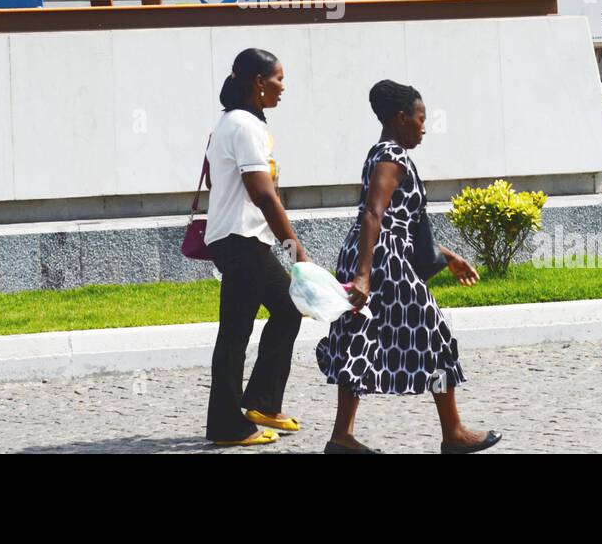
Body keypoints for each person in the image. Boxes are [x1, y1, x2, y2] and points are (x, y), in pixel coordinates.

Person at [316, 79, 501, 454]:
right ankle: (453, 433)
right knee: (435, 337)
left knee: (359, 337)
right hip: (385, 263)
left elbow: (400, 221)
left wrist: (448, 256)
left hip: (380, 255)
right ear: (401, 118)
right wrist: (364, 276)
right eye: (420, 118)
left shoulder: (386, 153)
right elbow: (374, 214)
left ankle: (342, 436)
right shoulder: (390, 157)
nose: (424, 126)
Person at [204, 48, 309, 447]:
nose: (284, 87)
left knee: (279, 312)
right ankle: (230, 425)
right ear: (258, 82)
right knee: (244, 328)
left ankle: (261, 403)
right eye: (279, 79)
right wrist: (294, 247)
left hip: (242, 239)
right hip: (240, 240)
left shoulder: (235, 123)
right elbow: (263, 195)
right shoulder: (244, 126)